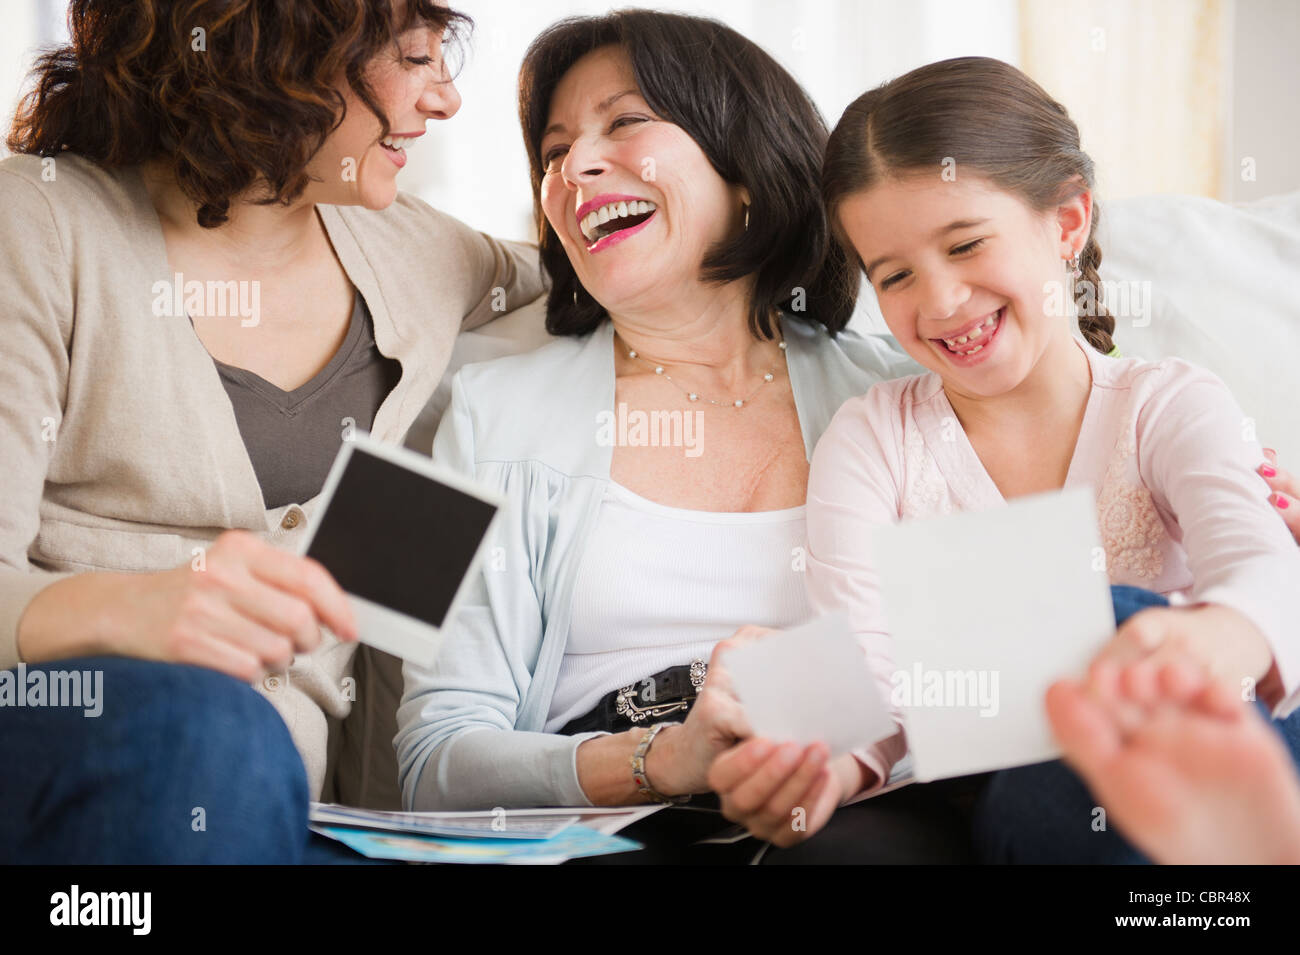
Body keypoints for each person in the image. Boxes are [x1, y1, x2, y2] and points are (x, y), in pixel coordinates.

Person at [0, 0, 543, 864]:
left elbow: (605, 281)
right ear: (275, 59)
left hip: (291, 812)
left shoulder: (414, 251)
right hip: (76, 740)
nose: (445, 101)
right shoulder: (38, 224)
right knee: (212, 728)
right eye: (411, 58)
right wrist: (134, 607)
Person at [720, 54, 1300, 863]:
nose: (941, 302)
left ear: (1067, 224)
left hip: (1163, 750)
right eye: (895, 276)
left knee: (1118, 620)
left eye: (965, 245)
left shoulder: (1165, 404)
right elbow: (864, 661)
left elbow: (1267, 565)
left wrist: (1211, 640)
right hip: (981, 787)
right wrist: (822, 764)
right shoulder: (873, 435)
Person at [394, 10, 938, 862]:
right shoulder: (478, 408)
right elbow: (433, 761)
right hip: (612, 819)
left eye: (626, 121)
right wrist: (665, 759)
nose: (573, 167)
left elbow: (995, 680)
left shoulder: (906, 397)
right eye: (552, 152)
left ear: (746, 166)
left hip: (854, 803)